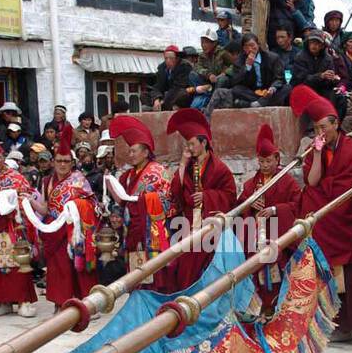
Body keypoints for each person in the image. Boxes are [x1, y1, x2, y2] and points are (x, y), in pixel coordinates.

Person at [295, 85, 352, 348]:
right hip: (325, 224)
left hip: (346, 222)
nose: (320, 132)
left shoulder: (351, 149)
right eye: (316, 128)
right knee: (330, 276)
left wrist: (322, 194)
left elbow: (348, 187)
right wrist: (317, 154)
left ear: (336, 124)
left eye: (324, 127)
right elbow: (312, 182)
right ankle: (342, 327)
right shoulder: (314, 151)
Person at [167, 108, 237, 291]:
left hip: (210, 224)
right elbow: (176, 190)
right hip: (189, 223)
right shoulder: (189, 166)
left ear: (203, 142)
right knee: (185, 266)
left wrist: (207, 196)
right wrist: (182, 163)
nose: (189, 148)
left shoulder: (220, 168)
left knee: (205, 267)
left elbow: (230, 196)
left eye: (191, 144)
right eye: (187, 145)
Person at [34, 124, 99, 309]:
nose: (62, 164)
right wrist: (28, 202)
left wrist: (77, 208)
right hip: (55, 230)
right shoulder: (46, 181)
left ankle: (86, 303)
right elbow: (45, 209)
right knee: (58, 268)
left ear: (72, 163)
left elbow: (93, 204)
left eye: (66, 161)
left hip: (75, 231)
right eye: (59, 161)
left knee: (79, 268)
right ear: (53, 162)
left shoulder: (79, 180)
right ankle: (60, 302)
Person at [107, 114, 175, 292]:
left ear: (146, 152)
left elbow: (167, 200)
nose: (131, 155)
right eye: (129, 151)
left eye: (134, 151)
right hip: (132, 230)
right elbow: (122, 201)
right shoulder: (127, 176)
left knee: (154, 276)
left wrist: (144, 200)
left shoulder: (158, 172)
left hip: (152, 231)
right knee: (137, 275)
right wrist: (111, 186)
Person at [240, 123, 302, 317]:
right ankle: (259, 308)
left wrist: (275, 209)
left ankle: (278, 306)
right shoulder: (252, 183)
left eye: (268, 161)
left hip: (278, 234)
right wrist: (251, 206)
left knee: (277, 272)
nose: (265, 166)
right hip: (257, 236)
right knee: (256, 272)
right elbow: (241, 205)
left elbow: (296, 204)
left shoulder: (287, 181)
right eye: (261, 162)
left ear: (277, 158)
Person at [0, 134, 38, 318]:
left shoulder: (14, 176)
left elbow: (26, 194)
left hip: (12, 223)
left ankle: (23, 301)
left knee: (17, 262)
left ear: (4, 157)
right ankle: (3, 302)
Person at [210, 33, 283, 110]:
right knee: (236, 89)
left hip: (268, 90)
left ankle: (253, 104)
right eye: (246, 47)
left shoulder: (272, 58)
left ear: (258, 45)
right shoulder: (240, 61)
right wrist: (247, 67)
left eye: (252, 45)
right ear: (243, 49)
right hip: (252, 92)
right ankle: (259, 103)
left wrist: (273, 88)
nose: (250, 49)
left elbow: (279, 78)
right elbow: (235, 81)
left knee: (286, 88)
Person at [289, 29, 342, 114]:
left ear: (322, 46)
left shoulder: (328, 59)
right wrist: (320, 76)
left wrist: (332, 79)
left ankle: (330, 119)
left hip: (321, 89)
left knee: (337, 96)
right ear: (308, 43)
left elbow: (327, 83)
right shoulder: (300, 57)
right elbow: (301, 80)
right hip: (304, 88)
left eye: (318, 43)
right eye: (312, 42)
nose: (314, 46)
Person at [151, 46, 193, 111]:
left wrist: (163, 100)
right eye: (166, 58)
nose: (168, 61)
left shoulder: (184, 66)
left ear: (177, 58)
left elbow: (178, 86)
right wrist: (156, 99)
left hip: (179, 93)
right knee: (144, 95)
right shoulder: (162, 68)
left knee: (182, 94)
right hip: (166, 95)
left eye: (171, 58)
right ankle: (160, 106)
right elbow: (158, 86)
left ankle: (168, 107)